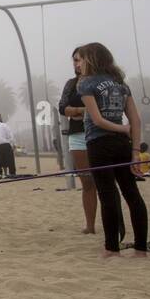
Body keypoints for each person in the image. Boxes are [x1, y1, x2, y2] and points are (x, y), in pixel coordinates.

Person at [77, 41, 150, 256]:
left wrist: (122, 128)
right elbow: (136, 120)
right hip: (122, 144)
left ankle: (112, 249)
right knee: (132, 194)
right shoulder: (120, 83)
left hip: (99, 144)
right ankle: (140, 249)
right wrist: (135, 150)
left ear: (90, 59)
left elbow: (97, 120)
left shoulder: (86, 84)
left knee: (108, 195)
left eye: (80, 59)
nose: (78, 64)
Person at [59, 48, 113, 236]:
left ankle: (112, 225)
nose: (76, 64)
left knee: (105, 182)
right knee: (87, 182)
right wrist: (83, 111)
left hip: (101, 134)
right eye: (73, 60)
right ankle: (90, 225)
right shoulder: (71, 84)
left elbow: (106, 108)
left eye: (79, 60)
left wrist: (79, 111)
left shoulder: (103, 83)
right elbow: (62, 107)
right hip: (78, 136)